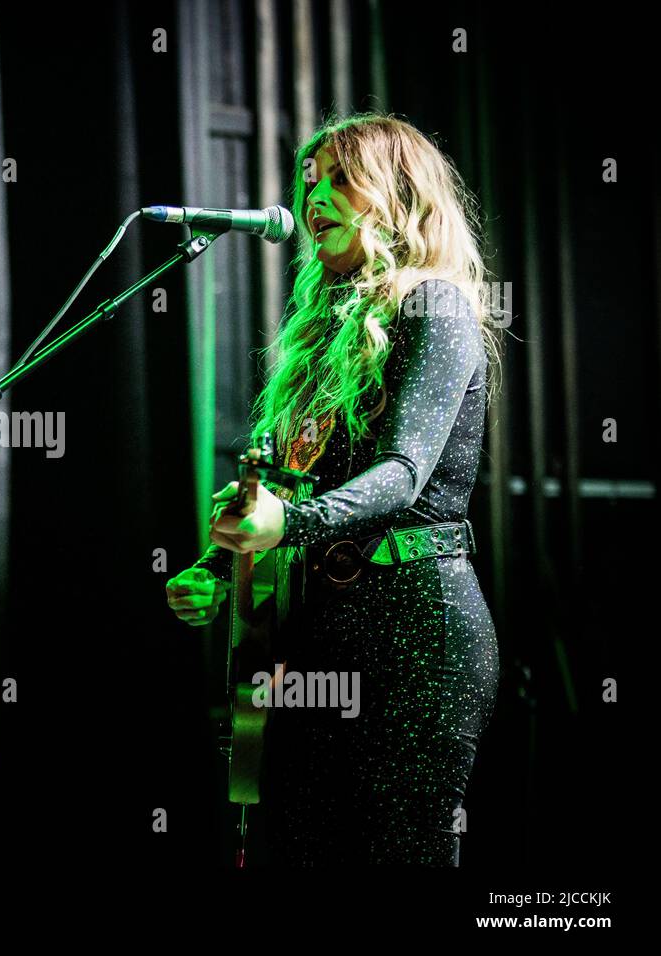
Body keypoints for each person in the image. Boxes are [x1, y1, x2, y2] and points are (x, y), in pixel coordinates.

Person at [165, 113, 503, 866]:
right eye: (307, 180)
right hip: (314, 631)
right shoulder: (321, 331)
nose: (314, 195)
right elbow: (297, 486)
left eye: (340, 177)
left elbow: (402, 473)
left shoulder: (433, 305)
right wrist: (221, 570)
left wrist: (287, 520)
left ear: (398, 193)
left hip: (416, 627)